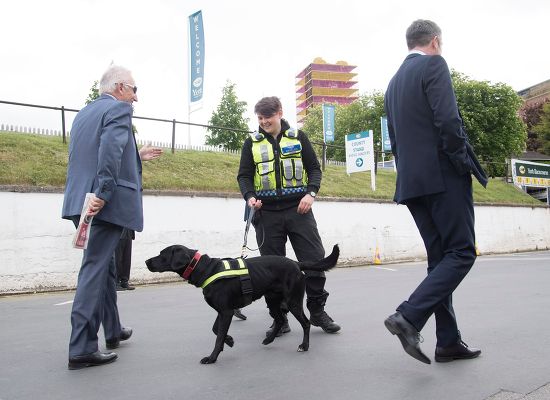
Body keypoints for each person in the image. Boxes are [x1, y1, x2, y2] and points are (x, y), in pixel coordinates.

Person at [383, 20, 488, 364]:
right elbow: (448, 120)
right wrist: (460, 163)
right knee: (462, 252)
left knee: (440, 260)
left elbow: (396, 140)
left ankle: (447, 341)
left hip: (413, 183)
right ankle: (408, 316)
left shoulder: (393, 83)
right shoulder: (434, 64)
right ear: (436, 41)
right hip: (443, 176)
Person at [62, 65, 162, 370]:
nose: (136, 97)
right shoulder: (119, 110)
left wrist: (135, 153)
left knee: (104, 267)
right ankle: (81, 347)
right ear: (119, 88)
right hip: (104, 201)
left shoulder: (84, 113)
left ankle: (113, 329)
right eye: (134, 89)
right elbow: (108, 153)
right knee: (94, 269)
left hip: (80, 198)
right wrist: (104, 193)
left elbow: (99, 150)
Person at [237, 96, 341, 336]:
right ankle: (280, 319)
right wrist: (249, 196)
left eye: (268, 117)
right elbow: (243, 176)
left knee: (314, 260)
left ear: (280, 113)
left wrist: (311, 194)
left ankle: (317, 311)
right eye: (260, 118)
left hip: (299, 210)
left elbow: (314, 168)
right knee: (271, 271)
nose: (264, 122)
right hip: (266, 215)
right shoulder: (250, 143)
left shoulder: (298, 137)